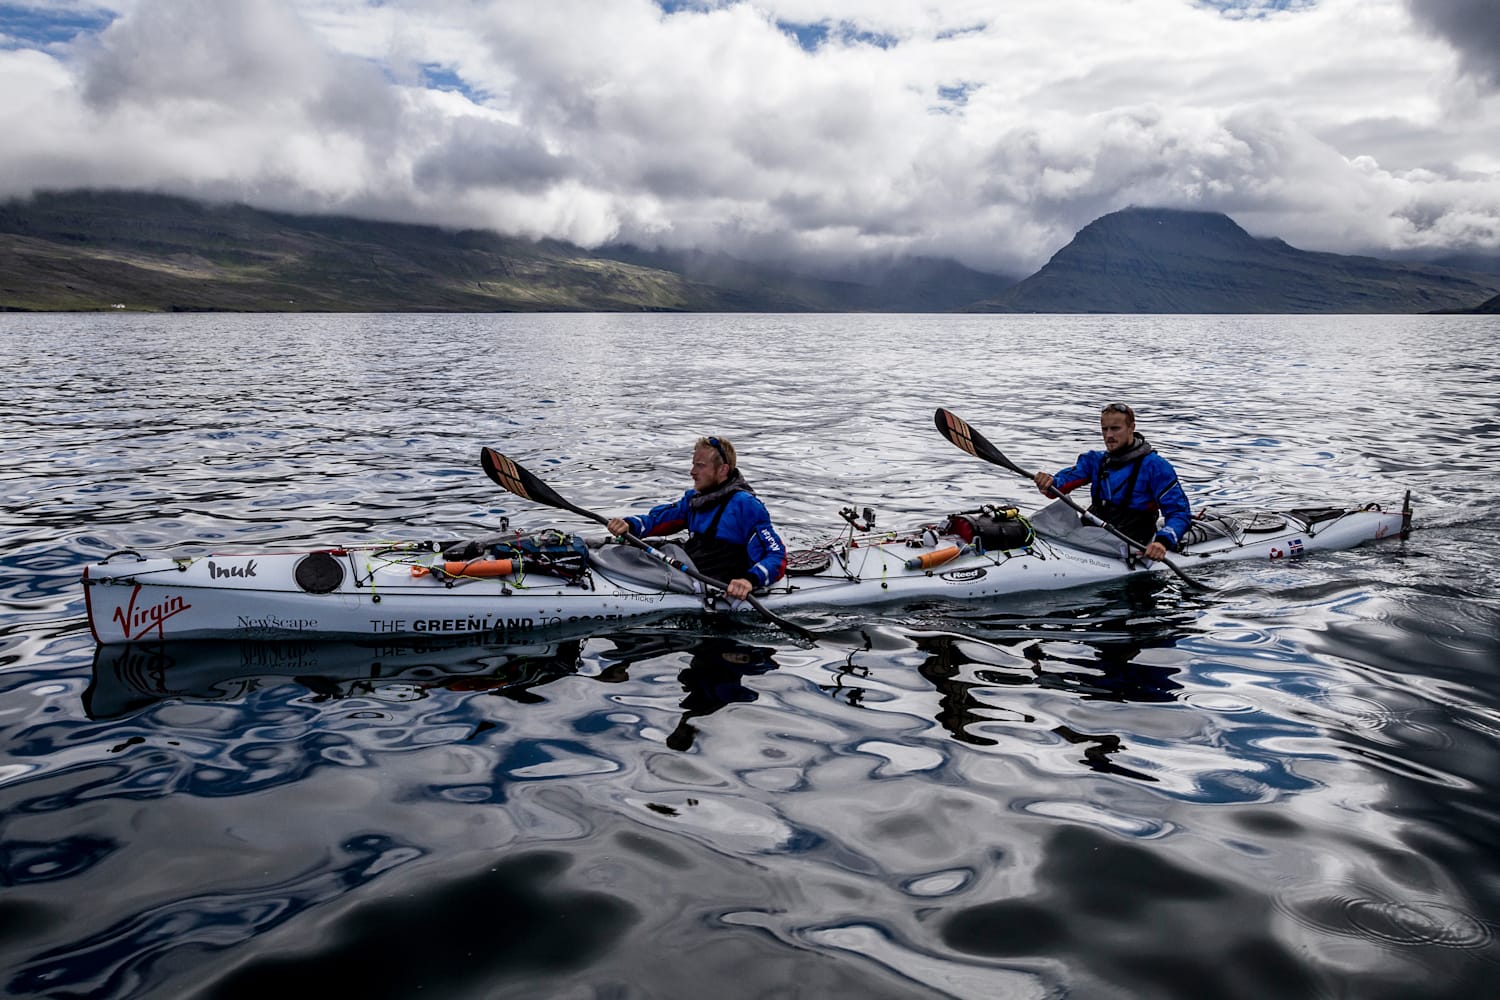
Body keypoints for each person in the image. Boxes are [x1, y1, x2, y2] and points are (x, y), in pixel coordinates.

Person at [606, 436, 786, 600]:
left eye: (700, 465)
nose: (692, 472)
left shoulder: (746, 505)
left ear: (723, 470)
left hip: (714, 582)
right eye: (693, 465)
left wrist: (749, 580)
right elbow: (658, 520)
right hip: (687, 569)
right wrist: (628, 524)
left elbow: (776, 555)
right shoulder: (695, 500)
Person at [1032, 403, 1191, 562]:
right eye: (1104, 429)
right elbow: (1060, 485)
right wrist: (1049, 482)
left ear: (1131, 428)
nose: (1108, 435)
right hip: (1093, 532)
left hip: (1131, 538)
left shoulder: (1156, 467)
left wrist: (1162, 543)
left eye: (1115, 429)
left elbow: (1179, 512)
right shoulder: (1095, 460)